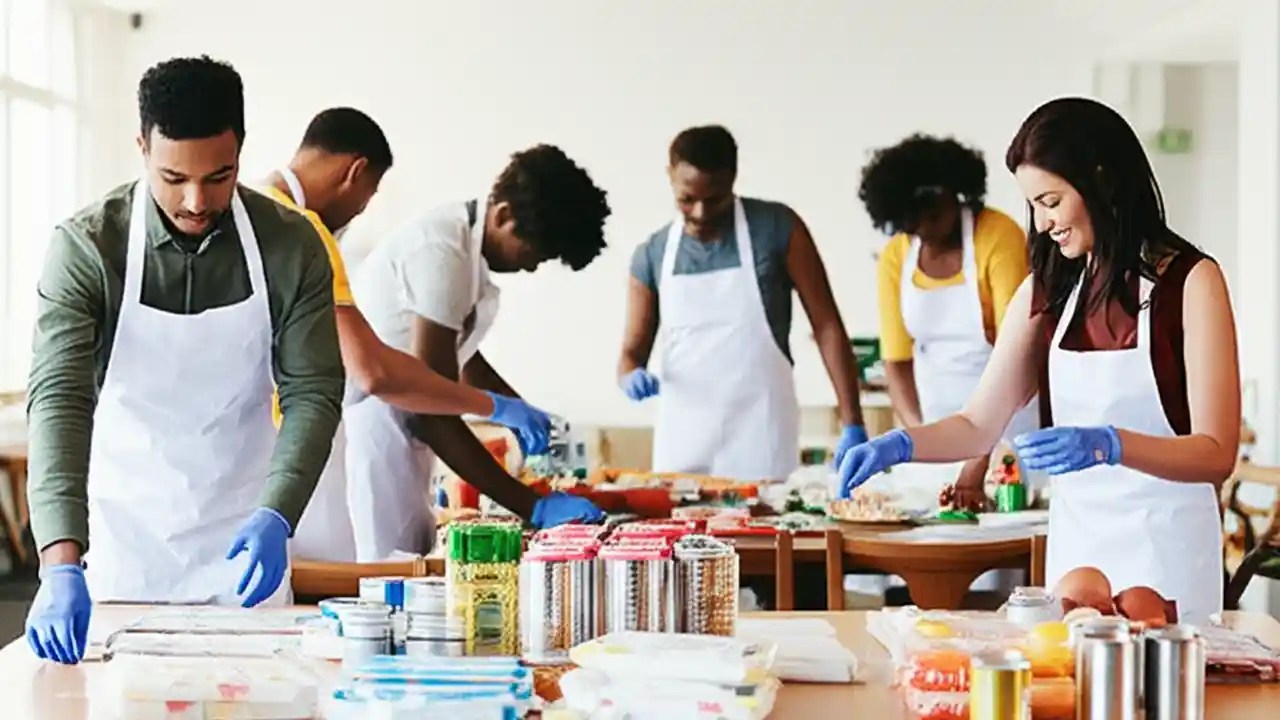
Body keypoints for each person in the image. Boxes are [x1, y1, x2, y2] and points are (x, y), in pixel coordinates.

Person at [839, 97, 1239, 624]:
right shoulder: (1046, 292)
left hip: (1168, 557)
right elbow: (978, 425)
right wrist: (901, 445)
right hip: (1078, 556)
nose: (1043, 222)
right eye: (1034, 206)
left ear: (1102, 180)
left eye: (1051, 200)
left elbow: (1216, 455)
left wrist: (1110, 445)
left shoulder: (1190, 283)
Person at [23, 56, 345, 664]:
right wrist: (58, 561)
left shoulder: (289, 244)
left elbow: (313, 390)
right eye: (173, 178)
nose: (197, 200)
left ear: (241, 153)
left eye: (218, 177)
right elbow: (60, 400)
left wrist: (279, 513)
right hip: (120, 558)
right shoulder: (88, 248)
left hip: (245, 552)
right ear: (142, 147)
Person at [260, 108, 552, 561]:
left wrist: (505, 405)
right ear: (356, 172)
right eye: (369, 195)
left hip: (268, 450)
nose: (361, 211)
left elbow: (438, 359)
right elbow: (375, 371)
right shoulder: (306, 231)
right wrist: (493, 407)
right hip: (299, 444)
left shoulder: (251, 208)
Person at [346, 144, 611, 561]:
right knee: (387, 578)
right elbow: (432, 409)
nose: (531, 267)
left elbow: (459, 358)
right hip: (374, 437)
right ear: (503, 215)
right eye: (532, 253)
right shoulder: (441, 253)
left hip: (401, 439)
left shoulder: (466, 251)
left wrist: (517, 407)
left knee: (407, 559)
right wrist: (531, 505)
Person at [618, 125, 865, 481]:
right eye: (687, 199)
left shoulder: (778, 228)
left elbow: (827, 326)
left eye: (715, 198)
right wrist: (630, 376)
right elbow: (630, 354)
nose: (701, 212)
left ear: (733, 178)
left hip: (761, 435)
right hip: (683, 444)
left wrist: (852, 422)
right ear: (670, 178)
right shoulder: (652, 254)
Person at [858, 134, 1035, 508]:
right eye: (914, 223)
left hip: (1007, 428)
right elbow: (896, 360)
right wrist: (919, 438)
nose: (927, 230)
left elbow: (1017, 355)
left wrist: (978, 454)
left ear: (957, 195)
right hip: (935, 423)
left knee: (993, 552)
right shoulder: (896, 257)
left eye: (934, 216)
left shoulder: (997, 238)